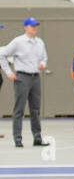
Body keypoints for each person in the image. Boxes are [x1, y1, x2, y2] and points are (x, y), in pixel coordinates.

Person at [0, 18, 48, 148]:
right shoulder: (18, 42)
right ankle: (17, 139)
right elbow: (2, 54)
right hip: (22, 77)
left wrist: (43, 63)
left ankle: (37, 138)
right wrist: (8, 72)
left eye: (36, 26)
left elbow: (44, 57)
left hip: (35, 77)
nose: (34, 28)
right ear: (25, 27)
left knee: (36, 109)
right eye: (32, 26)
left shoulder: (39, 42)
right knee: (19, 110)